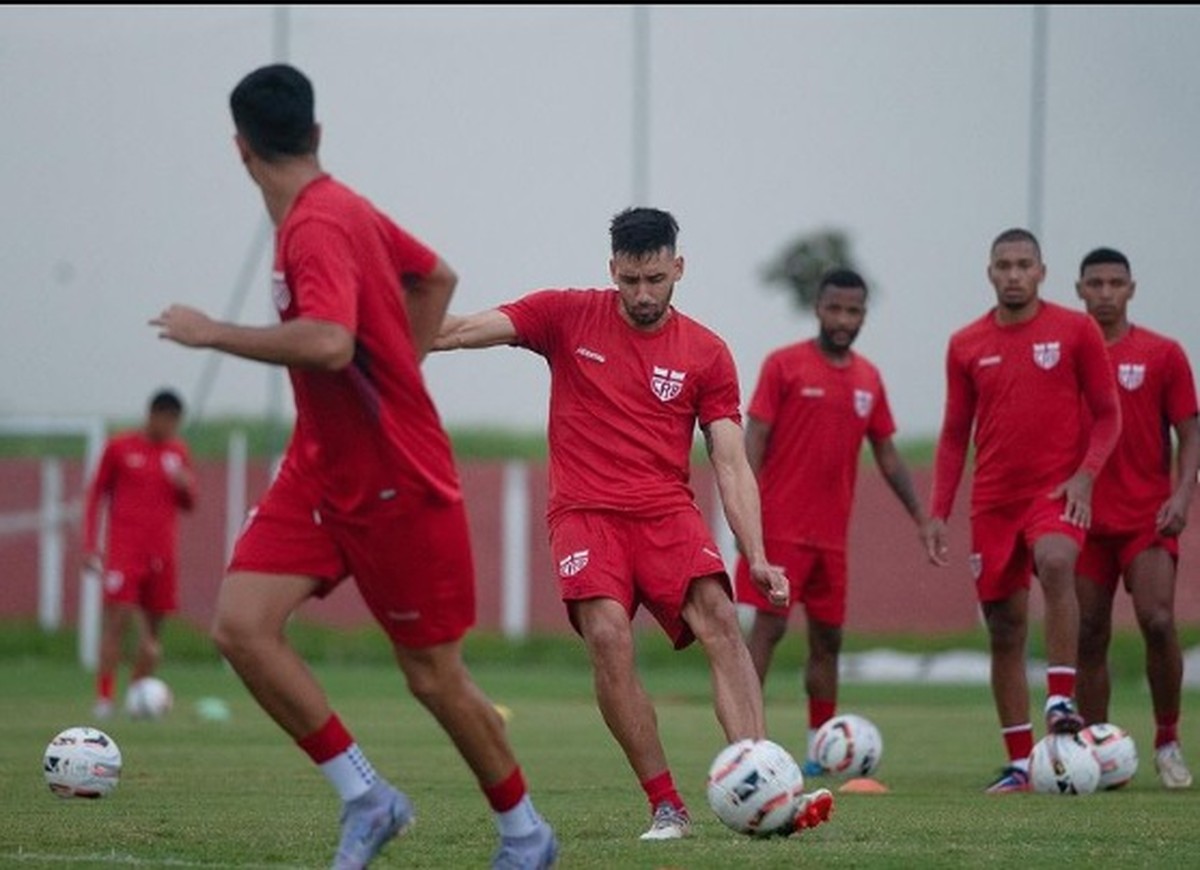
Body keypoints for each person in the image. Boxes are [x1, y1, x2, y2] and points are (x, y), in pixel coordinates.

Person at [149, 64, 557, 870]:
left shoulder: (317, 226)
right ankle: (368, 797)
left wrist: (212, 332)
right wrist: (400, 364)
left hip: (395, 480)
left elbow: (330, 341)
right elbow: (436, 275)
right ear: (317, 133)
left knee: (434, 677)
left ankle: (525, 833)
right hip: (319, 467)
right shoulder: (334, 209)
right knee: (242, 627)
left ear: (239, 150)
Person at [433, 206, 834, 841]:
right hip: (585, 514)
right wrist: (384, 333)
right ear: (611, 271)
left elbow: (730, 462)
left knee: (723, 623)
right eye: (630, 281)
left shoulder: (707, 352)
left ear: (678, 268)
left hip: (665, 512)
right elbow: (460, 330)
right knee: (609, 636)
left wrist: (755, 554)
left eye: (654, 279)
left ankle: (767, 787)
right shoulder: (563, 315)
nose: (642, 295)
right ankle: (666, 804)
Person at [926, 227, 1122, 794]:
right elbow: (953, 432)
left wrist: (1085, 476)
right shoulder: (966, 343)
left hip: (1054, 494)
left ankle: (1061, 698)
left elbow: (1109, 415)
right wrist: (939, 511)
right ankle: (1019, 764)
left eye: (1023, 265)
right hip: (993, 503)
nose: (1013, 275)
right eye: (1003, 266)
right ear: (990, 273)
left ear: (1041, 272)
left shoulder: (1075, 330)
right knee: (1005, 631)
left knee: (1058, 561)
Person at [733, 267, 934, 778]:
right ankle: (746, 744)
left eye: (853, 311)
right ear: (818, 309)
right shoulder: (784, 366)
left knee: (829, 641)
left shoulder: (868, 379)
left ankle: (820, 751)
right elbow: (752, 441)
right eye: (835, 309)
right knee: (769, 631)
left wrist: (920, 515)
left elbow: (887, 454)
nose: (843, 319)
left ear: (863, 315)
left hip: (831, 540)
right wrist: (745, 517)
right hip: (778, 530)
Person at [1073, 246, 1198, 790]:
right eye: (1094, 284)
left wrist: (1183, 494)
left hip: (1147, 517)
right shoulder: (1065, 353)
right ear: (1078, 290)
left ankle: (1168, 740)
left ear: (1131, 288)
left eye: (1114, 283)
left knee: (1159, 620)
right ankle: (1098, 748)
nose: (1104, 293)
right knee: (1089, 632)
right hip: (1082, 520)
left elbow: (1190, 432)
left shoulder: (1162, 353)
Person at [83, 388, 196, 720]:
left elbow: (190, 503)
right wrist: (91, 546)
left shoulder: (177, 452)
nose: (172, 428)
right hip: (124, 553)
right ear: (154, 416)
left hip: (163, 556)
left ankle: (136, 698)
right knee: (119, 623)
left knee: (154, 636)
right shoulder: (120, 448)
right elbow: (95, 496)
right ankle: (104, 700)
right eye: (169, 421)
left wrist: (184, 483)